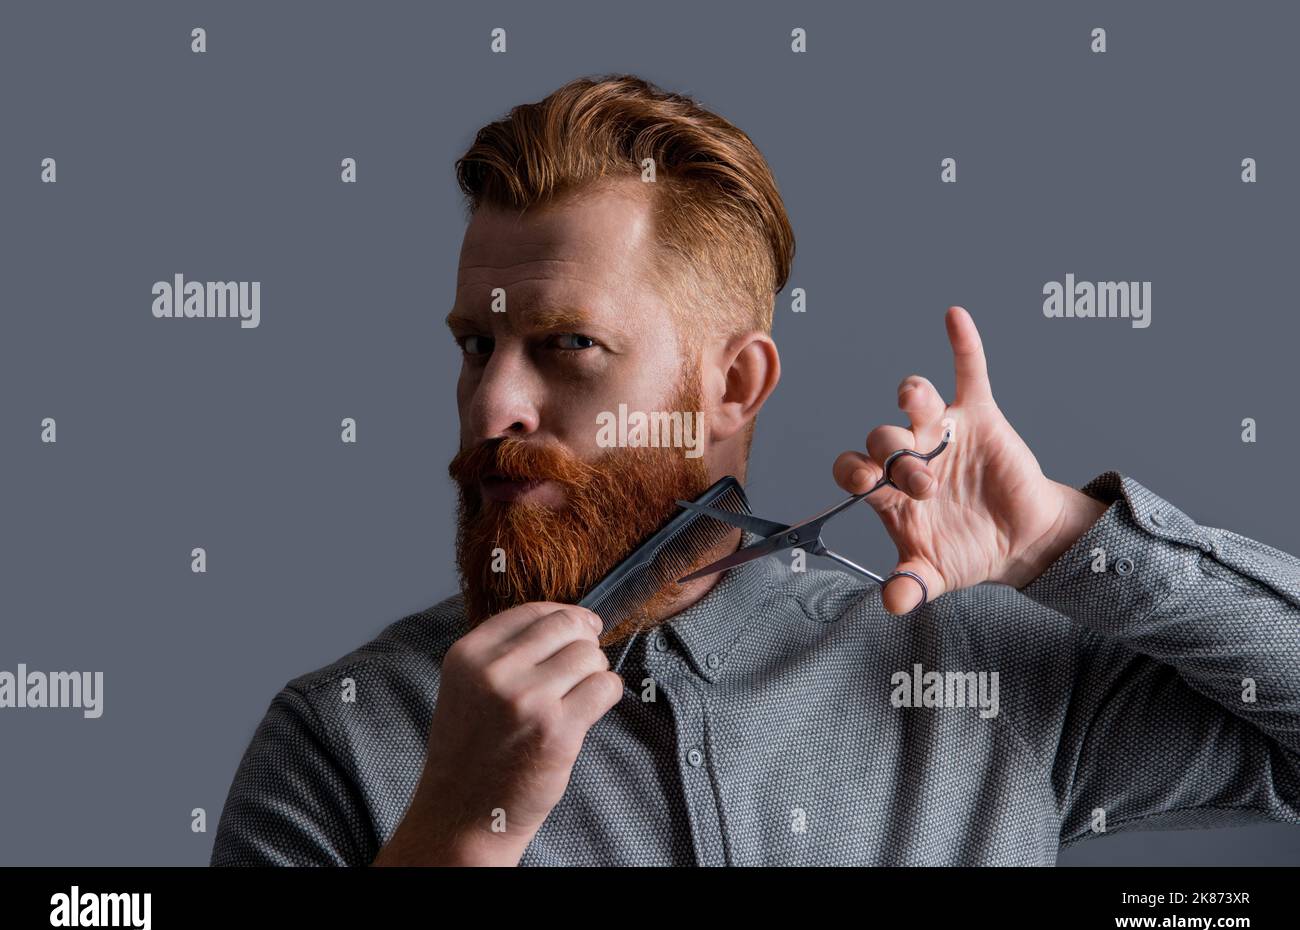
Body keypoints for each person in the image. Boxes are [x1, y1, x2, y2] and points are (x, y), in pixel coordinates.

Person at [210, 74, 1300, 866]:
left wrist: (1065, 541)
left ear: (734, 386)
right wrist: (452, 832)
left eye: (566, 346)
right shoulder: (343, 736)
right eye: (474, 346)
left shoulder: (974, 678)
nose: (493, 404)